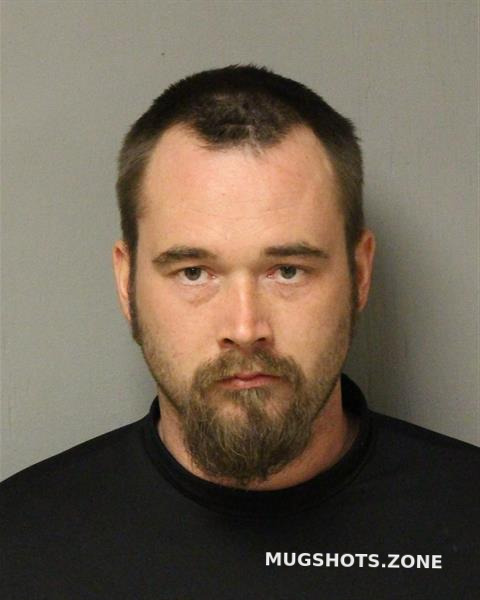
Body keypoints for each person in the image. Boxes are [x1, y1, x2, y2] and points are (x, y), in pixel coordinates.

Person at [1, 65, 478, 600]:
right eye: (193, 273)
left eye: (288, 270)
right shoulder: (17, 549)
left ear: (360, 273)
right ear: (126, 283)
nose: (245, 328)